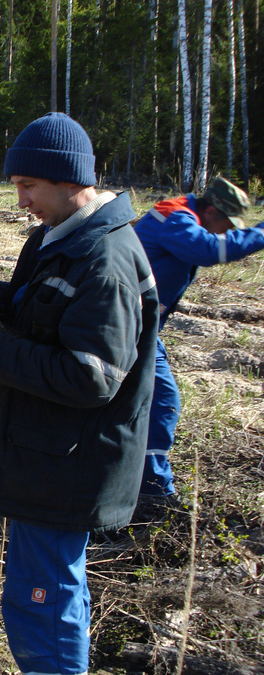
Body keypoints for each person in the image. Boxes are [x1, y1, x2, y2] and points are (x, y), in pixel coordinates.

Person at [0, 112, 158, 675]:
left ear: (68, 178)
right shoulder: (58, 239)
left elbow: (90, 376)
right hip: (47, 451)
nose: (21, 201)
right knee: (50, 588)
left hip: (71, 464)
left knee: (43, 598)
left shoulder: (106, 261)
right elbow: (33, 310)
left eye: (27, 185)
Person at [133, 176, 264, 497]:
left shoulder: (181, 214)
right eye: (226, 226)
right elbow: (209, 250)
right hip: (128, 326)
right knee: (162, 402)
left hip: (136, 324)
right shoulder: (176, 216)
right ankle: (153, 490)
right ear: (212, 211)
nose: (225, 233)